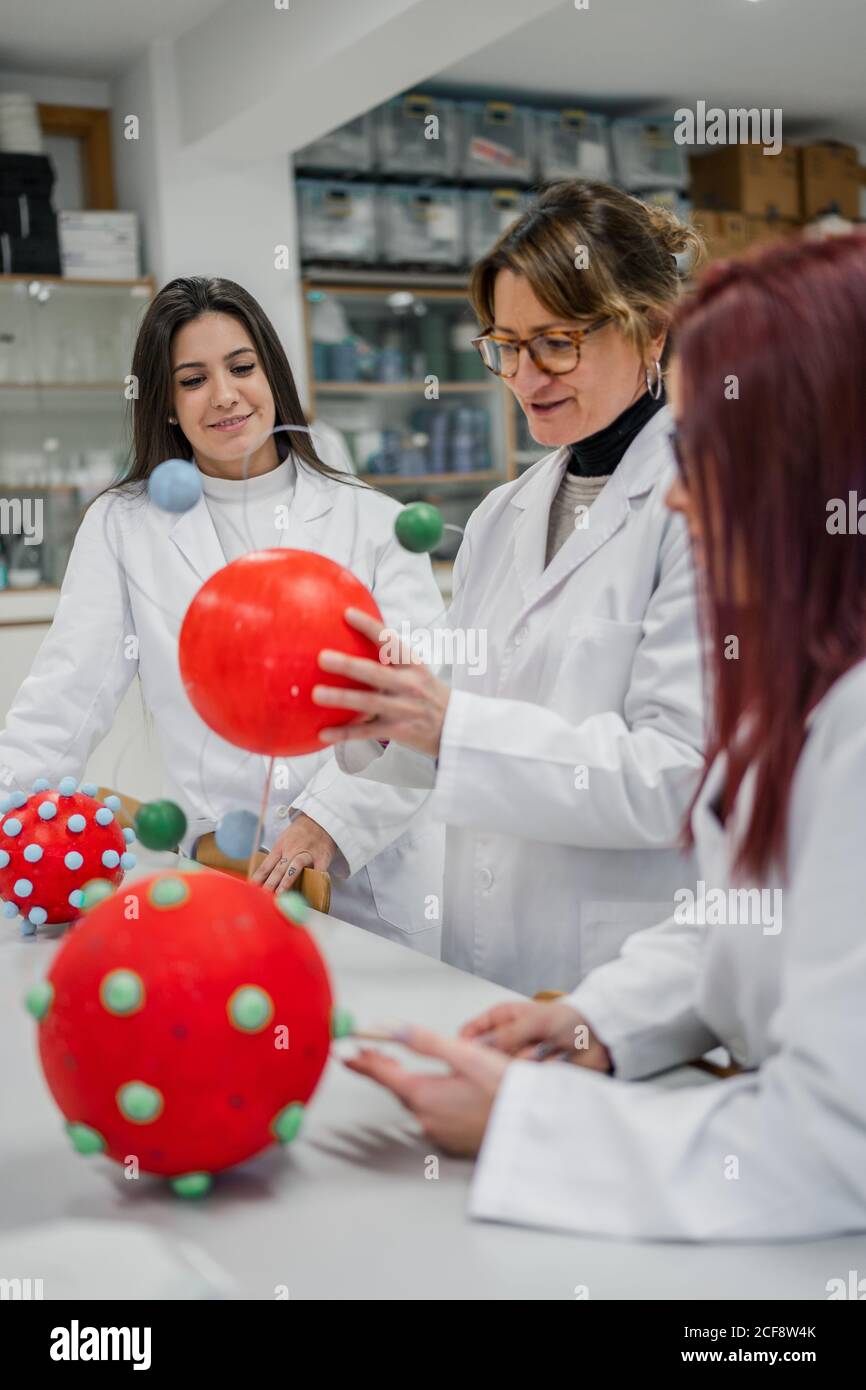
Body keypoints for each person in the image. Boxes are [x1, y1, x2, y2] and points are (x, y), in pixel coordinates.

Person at [344, 232, 866, 1241]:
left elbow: (835, 1138)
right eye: (506, 345)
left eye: (711, 452)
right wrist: (602, 1019)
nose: (678, 485)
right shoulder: (808, 682)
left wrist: (532, 1126)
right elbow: (749, 912)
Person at [314, 181, 708, 995]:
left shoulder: (705, 505)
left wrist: (451, 724)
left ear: (652, 331)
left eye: (556, 343)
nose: (526, 376)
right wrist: (394, 708)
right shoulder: (504, 512)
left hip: (619, 971)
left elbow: (678, 775)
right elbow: (461, 711)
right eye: (504, 345)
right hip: (479, 951)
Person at [0, 276, 444, 951]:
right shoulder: (125, 526)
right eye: (193, 379)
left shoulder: (371, 520)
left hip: (369, 877)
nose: (225, 395)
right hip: (220, 872)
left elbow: (420, 709)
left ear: (273, 375)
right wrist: (8, 810)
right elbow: (64, 699)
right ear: (168, 404)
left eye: (242, 367)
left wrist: (324, 822)